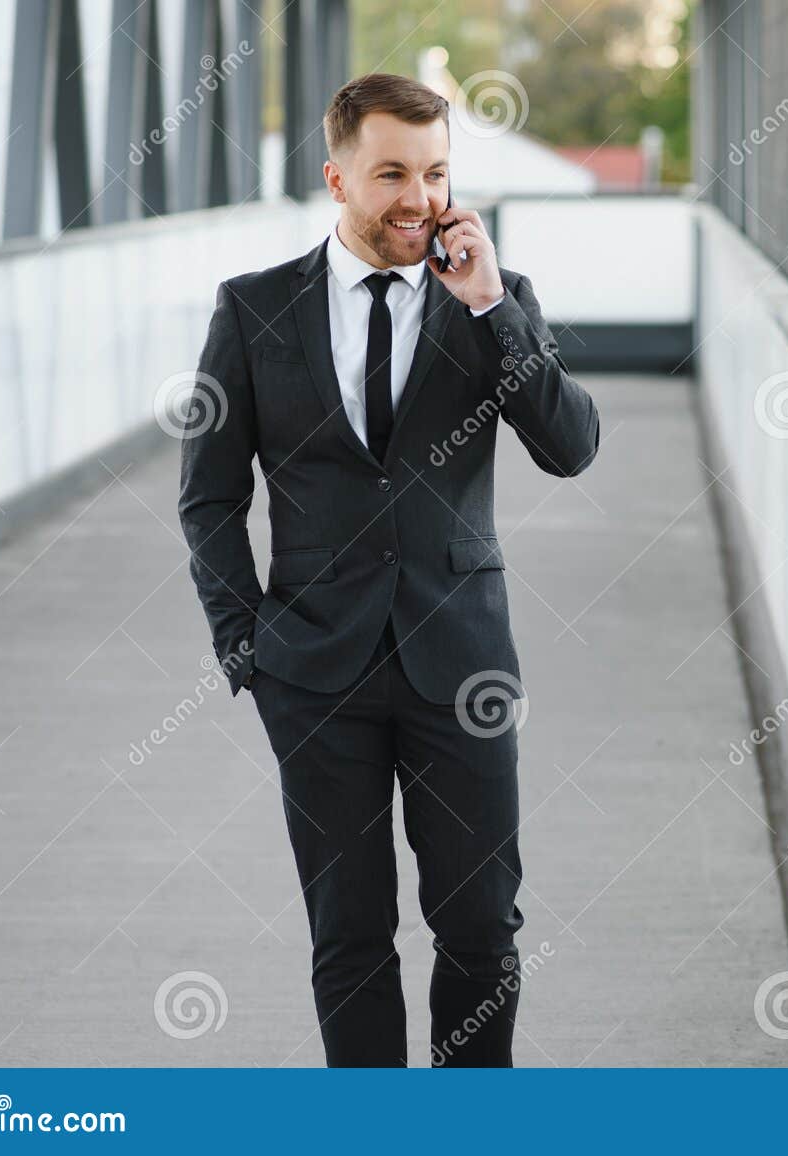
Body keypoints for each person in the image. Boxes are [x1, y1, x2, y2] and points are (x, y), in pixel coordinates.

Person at [176, 71, 600, 1066]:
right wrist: (247, 646)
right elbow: (209, 494)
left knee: (481, 929)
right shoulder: (253, 310)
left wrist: (492, 303)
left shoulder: (491, 302)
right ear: (337, 177)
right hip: (314, 673)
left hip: (462, 667)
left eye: (437, 172)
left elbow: (572, 445)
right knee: (351, 938)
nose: (419, 198)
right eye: (392, 174)